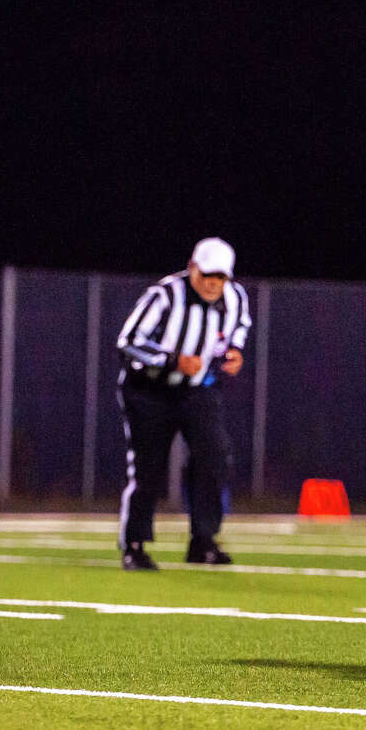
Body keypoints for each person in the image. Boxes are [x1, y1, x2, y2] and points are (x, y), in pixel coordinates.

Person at [115, 237, 251, 570]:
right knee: (148, 467)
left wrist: (234, 352)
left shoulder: (235, 297)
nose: (212, 283)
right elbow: (127, 341)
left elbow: (240, 327)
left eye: (219, 278)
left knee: (214, 455)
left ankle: (203, 540)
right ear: (192, 268)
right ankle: (134, 545)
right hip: (149, 390)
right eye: (207, 275)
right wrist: (171, 360)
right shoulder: (164, 295)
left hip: (195, 390)